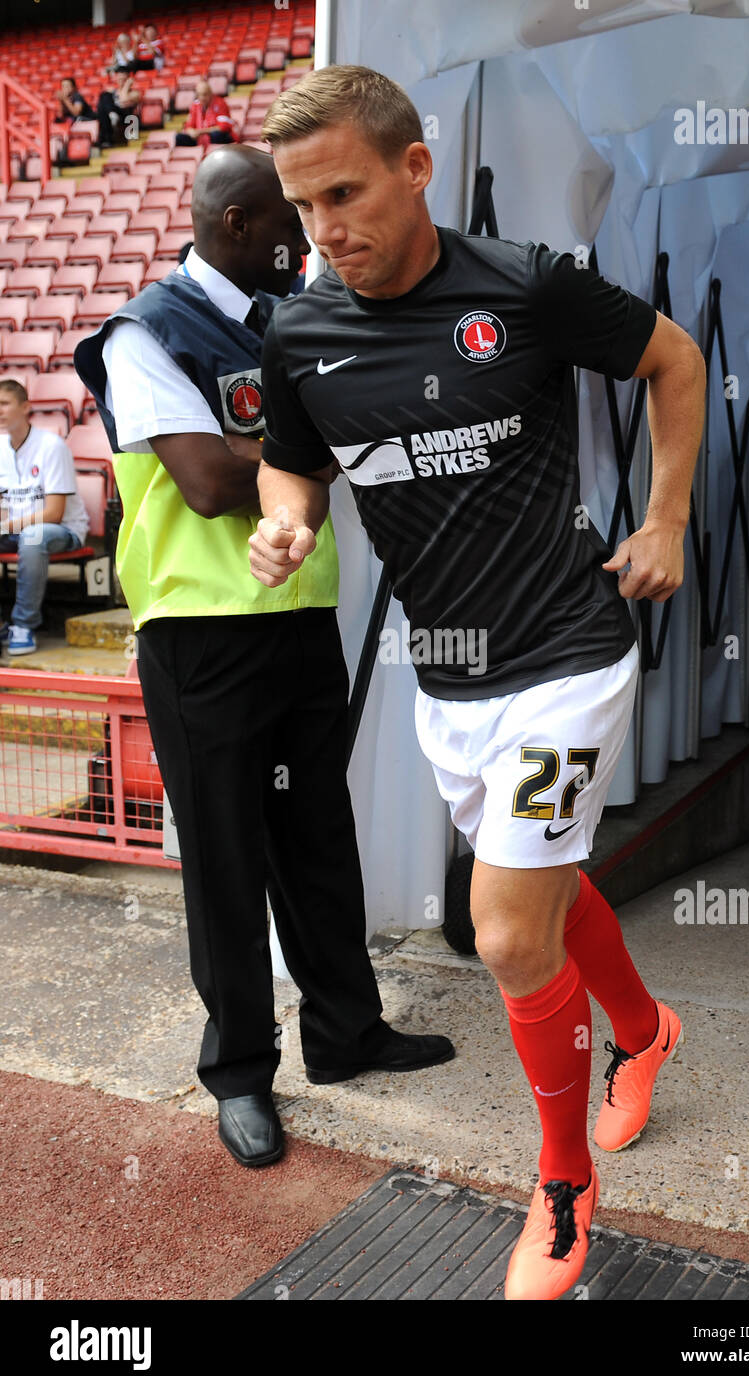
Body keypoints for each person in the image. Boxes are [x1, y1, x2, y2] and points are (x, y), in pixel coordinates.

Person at [249, 66, 706, 1298]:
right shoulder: (297, 332)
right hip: (446, 684)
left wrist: (663, 519)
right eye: (302, 208)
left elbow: (675, 361)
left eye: (343, 192)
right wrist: (287, 521)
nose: (325, 228)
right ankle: (646, 1029)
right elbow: (290, 469)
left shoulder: (525, 287)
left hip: (567, 652)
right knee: (537, 891)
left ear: (414, 167)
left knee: (504, 931)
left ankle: (559, 1186)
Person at [73, 144, 454, 1171]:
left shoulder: (289, 321)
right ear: (237, 223)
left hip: (295, 615)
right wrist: (332, 443)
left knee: (316, 835)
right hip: (199, 635)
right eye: (287, 219)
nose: (306, 239)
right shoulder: (143, 333)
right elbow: (204, 478)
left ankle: (343, 1030)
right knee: (229, 860)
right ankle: (240, 1071)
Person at [0, 380, 90, 657]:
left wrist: (5, 526)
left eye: (4, 403)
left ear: (26, 407)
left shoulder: (51, 445)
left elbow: (54, 513)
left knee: (33, 536)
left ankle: (24, 625)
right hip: (16, 529)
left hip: (62, 530)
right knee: (27, 535)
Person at [176, 80, 236, 148]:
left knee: (216, 135)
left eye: (204, 94)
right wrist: (191, 131)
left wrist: (200, 132)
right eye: (199, 95)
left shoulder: (220, 103)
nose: (202, 97)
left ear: (210, 93)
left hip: (221, 139)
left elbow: (224, 127)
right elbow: (188, 125)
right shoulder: (195, 105)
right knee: (179, 137)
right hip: (201, 139)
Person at [95, 73, 142, 149]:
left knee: (105, 104)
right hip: (113, 114)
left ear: (128, 81)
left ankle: (106, 139)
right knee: (104, 96)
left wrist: (126, 86)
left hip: (127, 115)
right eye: (119, 79)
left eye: (124, 80)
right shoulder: (113, 92)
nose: (121, 81)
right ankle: (112, 114)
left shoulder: (134, 93)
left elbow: (124, 100)